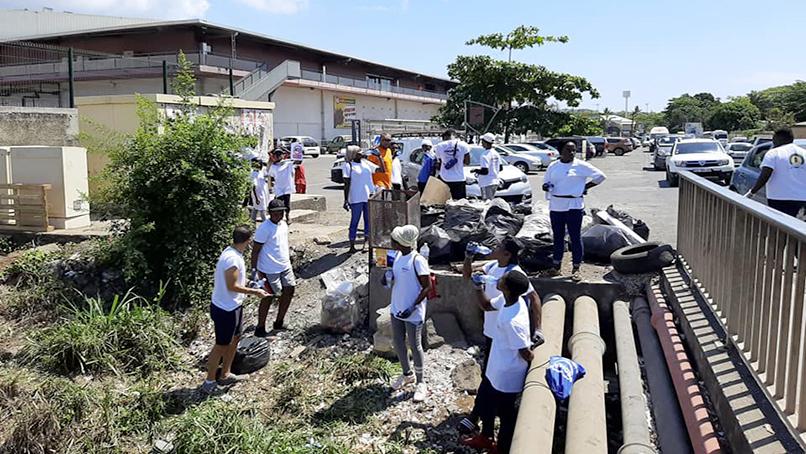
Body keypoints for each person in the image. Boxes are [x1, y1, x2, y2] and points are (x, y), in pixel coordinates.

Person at [459, 237, 543, 442]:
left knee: (497, 395)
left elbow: (534, 298)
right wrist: (469, 258)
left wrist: (538, 330)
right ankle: (482, 426)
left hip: (505, 341)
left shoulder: (515, 278)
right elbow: (484, 300)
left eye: (498, 247)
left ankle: (485, 427)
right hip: (495, 336)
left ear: (507, 254)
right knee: (489, 380)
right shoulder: (495, 270)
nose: (493, 248)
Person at [466, 270, 534, 453]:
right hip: (494, 368)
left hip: (507, 378)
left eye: (503, 279)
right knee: (486, 405)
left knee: (506, 417)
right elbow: (487, 305)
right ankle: (485, 438)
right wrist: (478, 287)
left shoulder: (513, 321)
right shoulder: (510, 301)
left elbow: (525, 353)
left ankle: (502, 449)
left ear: (508, 288)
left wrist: (535, 361)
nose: (498, 279)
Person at [201, 225, 270, 395]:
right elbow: (232, 286)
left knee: (235, 339)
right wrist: (255, 292)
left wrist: (250, 282)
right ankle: (209, 382)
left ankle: (225, 374)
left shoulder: (233, 253)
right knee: (220, 346)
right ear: (248, 241)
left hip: (234, 306)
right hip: (225, 309)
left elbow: (237, 280)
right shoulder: (232, 259)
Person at [542, 141, 606, 280]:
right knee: (558, 237)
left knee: (575, 237)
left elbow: (600, 176)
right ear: (560, 151)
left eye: (574, 150)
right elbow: (546, 181)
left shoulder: (580, 165)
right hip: (557, 205)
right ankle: (556, 266)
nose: (571, 153)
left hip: (574, 205)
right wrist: (546, 186)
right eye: (568, 150)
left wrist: (585, 187)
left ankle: (576, 267)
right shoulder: (554, 166)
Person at [385, 224, 433, 403]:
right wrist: (387, 279)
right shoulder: (397, 256)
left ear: (401, 243)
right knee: (398, 342)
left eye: (394, 240)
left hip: (412, 311)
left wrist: (412, 307)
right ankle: (407, 374)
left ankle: (421, 383)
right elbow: (395, 278)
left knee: (415, 344)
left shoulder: (417, 260)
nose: (391, 242)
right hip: (397, 307)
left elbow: (427, 287)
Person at [251, 199, 296, 336]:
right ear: (270, 213)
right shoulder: (264, 229)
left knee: (289, 290)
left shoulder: (283, 225)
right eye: (276, 213)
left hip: (284, 266)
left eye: (281, 212)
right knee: (268, 297)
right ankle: (260, 327)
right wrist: (254, 272)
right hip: (268, 269)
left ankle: (279, 322)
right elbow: (255, 251)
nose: (279, 215)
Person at [747, 127, 806, 218]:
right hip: (803, 198)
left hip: (779, 199)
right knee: (799, 229)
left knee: (780, 228)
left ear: (778, 138)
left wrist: (752, 192)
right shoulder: (804, 153)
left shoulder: (773, 153)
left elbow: (765, 175)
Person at [342, 145, 384, 252]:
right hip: (356, 197)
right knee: (354, 221)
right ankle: (352, 244)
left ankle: (366, 242)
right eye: (359, 151)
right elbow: (346, 184)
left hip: (368, 195)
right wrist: (346, 200)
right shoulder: (348, 166)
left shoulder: (366, 163)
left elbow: (381, 170)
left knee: (368, 220)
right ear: (353, 154)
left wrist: (379, 158)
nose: (361, 153)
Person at [434, 129, 471, 200]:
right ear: (455, 136)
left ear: (445, 137)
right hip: (459, 178)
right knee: (460, 202)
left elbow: (440, 162)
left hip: (445, 178)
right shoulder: (463, 145)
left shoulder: (439, 146)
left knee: (444, 202)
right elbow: (467, 162)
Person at [268, 148, 296, 224]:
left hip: (287, 187)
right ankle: (279, 217)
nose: (278, 156)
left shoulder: (288, 164)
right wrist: (271, 187)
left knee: (287, 203)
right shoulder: (273, 166)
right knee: (278, 203)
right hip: (278, 187)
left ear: (283, 155)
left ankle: (287, 216)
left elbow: (297, 158)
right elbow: (272, 177)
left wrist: (285, 149)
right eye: (276, 154)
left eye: (280, 154)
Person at [474, 133, 502, 200]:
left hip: (486, 183)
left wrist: (476, 170)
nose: (481, 143)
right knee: (490, 201)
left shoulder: (485, 155)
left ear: (485, 142)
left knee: (486, 203)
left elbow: (485, 171)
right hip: (495, 182)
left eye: (482, 141)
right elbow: (500, 168)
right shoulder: (496, 153)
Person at [248, 158, 268, 223]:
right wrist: (256, 198)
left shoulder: (260, 172)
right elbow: (253, 186)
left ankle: (252, 224)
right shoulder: (253, 173)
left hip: (262, 193)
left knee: (256, 209)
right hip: (258, 195)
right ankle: (265, 224)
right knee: (262, 210)